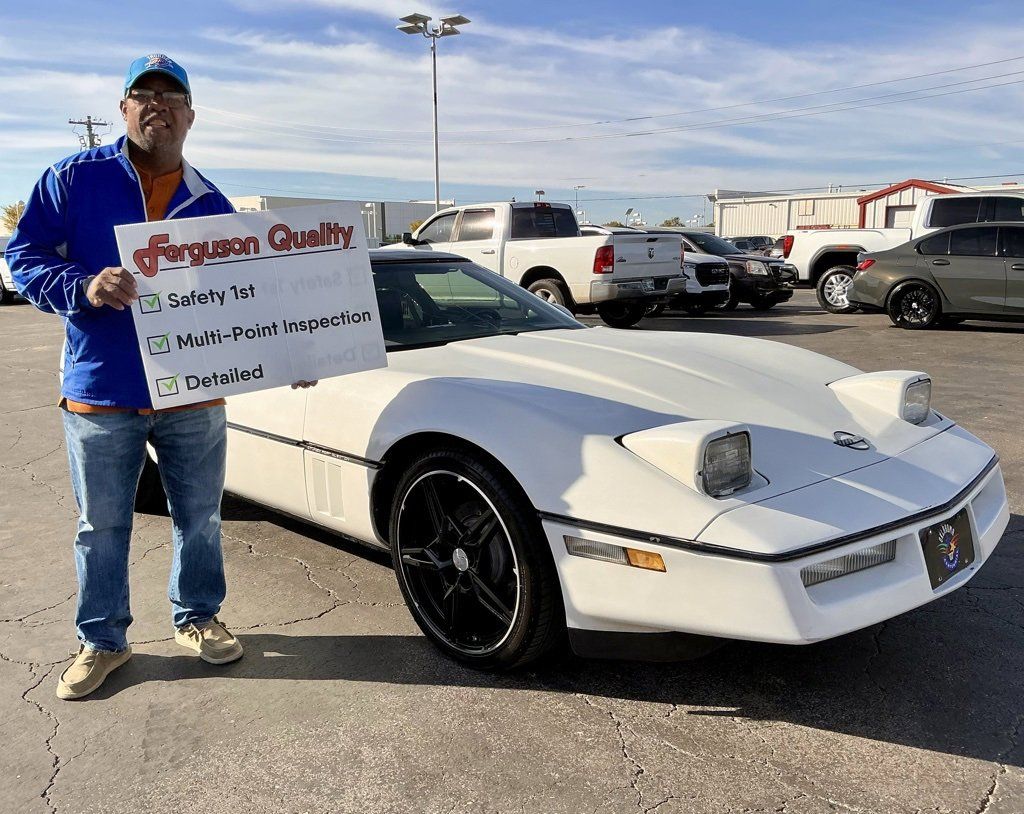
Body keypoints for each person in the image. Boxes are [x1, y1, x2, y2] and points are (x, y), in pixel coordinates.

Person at [6, 54, 314, 700]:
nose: (158, 105)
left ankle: (198, 617)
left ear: (191, 115)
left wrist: (299, 350)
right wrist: (82, 285)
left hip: (192, 393)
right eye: (142, 94)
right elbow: (21, 255)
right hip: (102, 390)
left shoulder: (212, 203)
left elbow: (254, 294)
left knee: (199, 516)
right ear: (123, 110)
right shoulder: (73, 179)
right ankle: (103, 641)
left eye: (172, 95)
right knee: (102, 526)